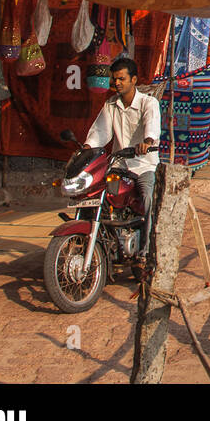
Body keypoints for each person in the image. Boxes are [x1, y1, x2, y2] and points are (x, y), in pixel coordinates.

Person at [83, 58, 160, 273]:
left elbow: (152, 126)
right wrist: (87, 147)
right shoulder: (110, 105)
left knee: (147, 201)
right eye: (114, 79)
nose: (117, 83)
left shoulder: (148, 103)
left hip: (144, 165)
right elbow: (100, 132)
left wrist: (148, 142)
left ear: (133, 80)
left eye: (122, 79)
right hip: (119, 165)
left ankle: (144, 253)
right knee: (99, 197)